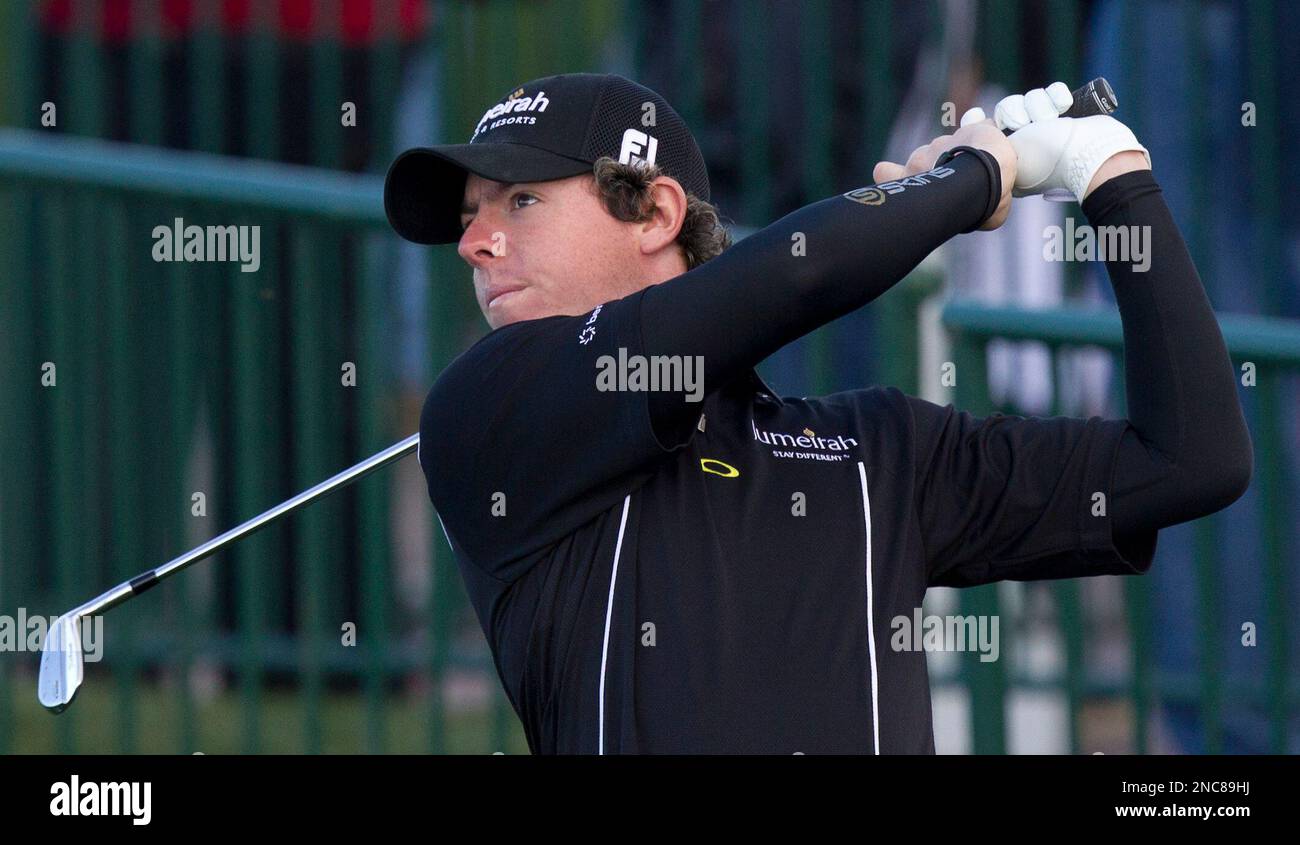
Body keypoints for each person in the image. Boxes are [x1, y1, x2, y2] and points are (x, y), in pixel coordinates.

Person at [383, 72, 1252, 754]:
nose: (474, 241)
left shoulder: (879, 450)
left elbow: (1193, 459)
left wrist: (1111, 175)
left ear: (655, 213)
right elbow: (796, 276)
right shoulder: (484, 412)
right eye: (470, 217)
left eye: (520, 201)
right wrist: (973, 175)